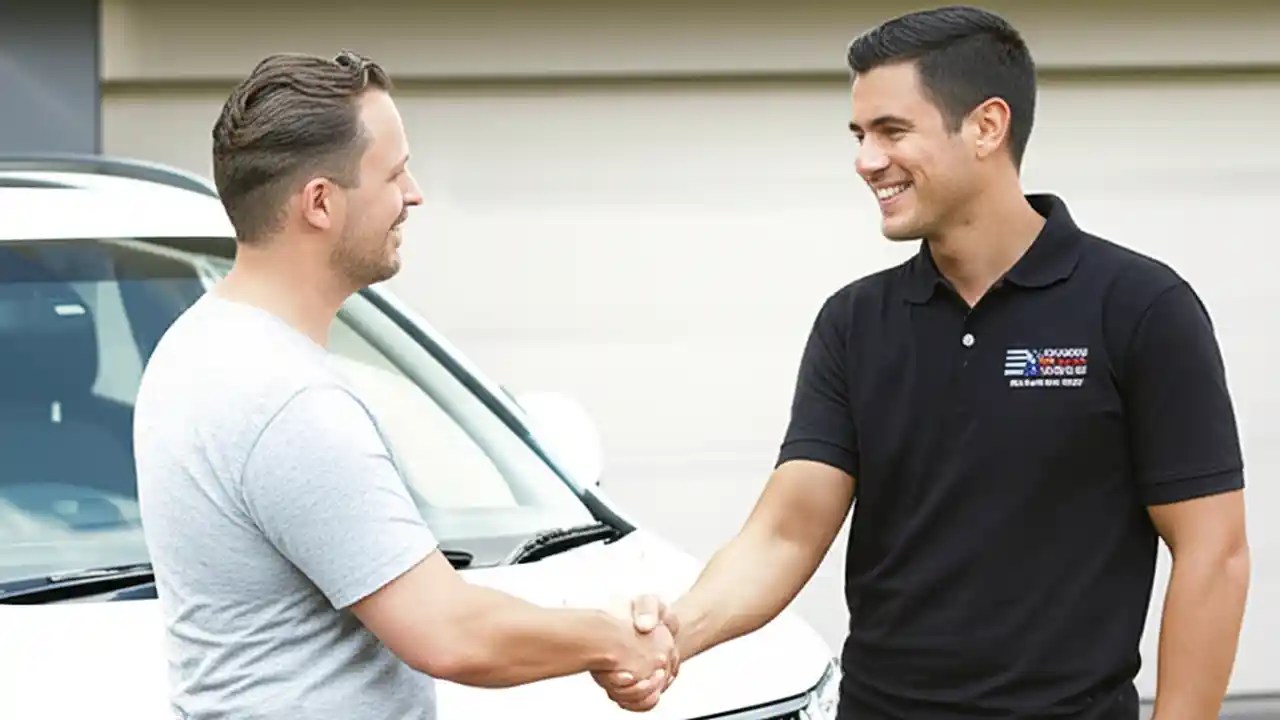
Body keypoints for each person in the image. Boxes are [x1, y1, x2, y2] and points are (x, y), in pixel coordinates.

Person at [597, 5, 1250, 719]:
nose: (866, 159)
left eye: (892, 131)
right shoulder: (855, 323)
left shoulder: (1138, 308)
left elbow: (1212, 553)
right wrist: (674, 635)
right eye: (859, 134)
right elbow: (785, 532)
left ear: (986, 127)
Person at [133, 50, 675, 720]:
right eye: (393, 174)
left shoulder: (194, 345)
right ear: (321, 203)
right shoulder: (286, 400)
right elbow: (448, 631)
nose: (413, 194)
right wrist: (611, 640)